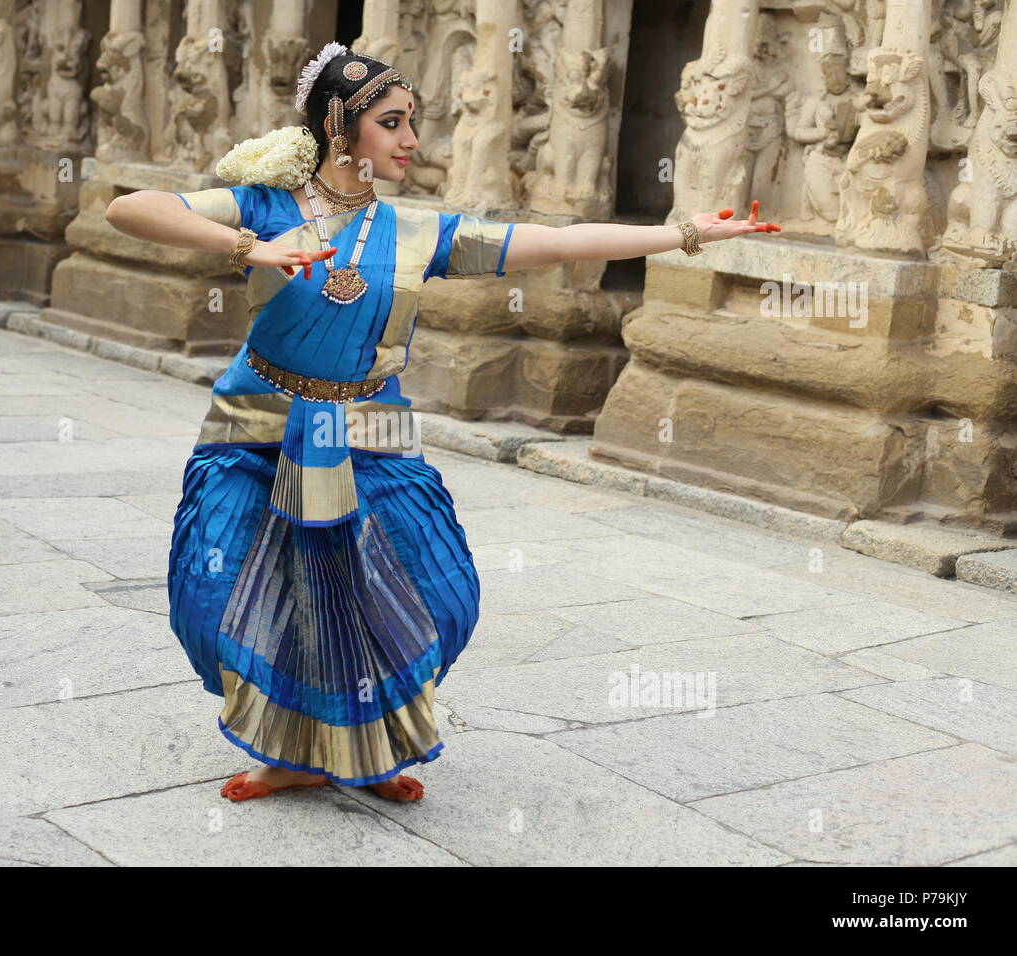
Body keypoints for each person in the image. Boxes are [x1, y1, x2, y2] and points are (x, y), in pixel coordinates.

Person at [104, 42, 780, 804]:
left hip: (371, 426)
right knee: (213, 591)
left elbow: (557, 244)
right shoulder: (263, 204)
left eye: (410, 124)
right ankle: (288, 753)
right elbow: (131, 209)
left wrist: (685, 234)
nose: (411, 141)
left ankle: (372, 741)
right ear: (339, 127)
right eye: (392, 123)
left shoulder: (422, 233)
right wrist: (249, 247)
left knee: (437, 591)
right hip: (256, 418)